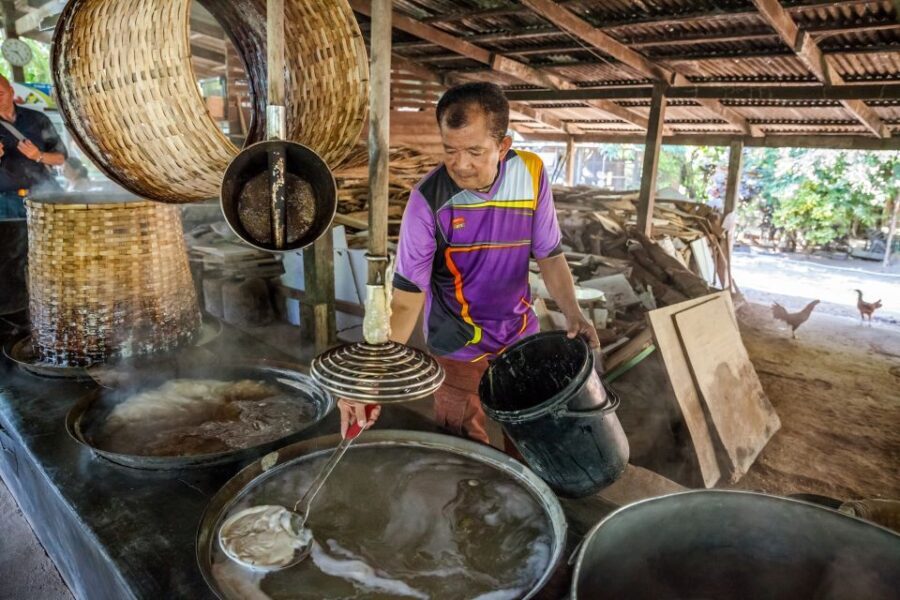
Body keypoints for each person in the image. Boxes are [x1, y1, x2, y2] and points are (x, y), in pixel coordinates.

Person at [339, 82, 599, 442]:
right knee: (463, 448)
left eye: (475, 151)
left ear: (503, 146)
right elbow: (407, 298)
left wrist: (573, 312)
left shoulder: (531, 173)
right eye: (450, 150)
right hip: (457, 345)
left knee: (529, 438)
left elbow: (550, 254)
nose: (460, 165)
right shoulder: (427, 201)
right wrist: (372, 376)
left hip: (519, 335)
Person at [0, 75, 67, 218]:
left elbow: (60, 158)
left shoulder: (37, 119)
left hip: (44, 195)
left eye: (1, 94)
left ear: (11, 91)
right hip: (4, 202)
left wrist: (39, 156)